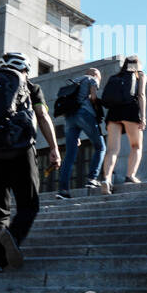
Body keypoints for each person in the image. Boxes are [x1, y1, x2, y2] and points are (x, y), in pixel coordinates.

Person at [0, 51, 61, 272]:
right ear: (25, 69)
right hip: (22, 150)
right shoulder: (31, 87)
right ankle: (13, 235)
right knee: (29, 204)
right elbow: (42, 116)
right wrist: (54, 148)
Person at [99, 54, 147, 194]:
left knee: (112, 149)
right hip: (130, 110)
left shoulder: (115, 77)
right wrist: (143, 117)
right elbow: (141, 95)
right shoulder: (140, 75)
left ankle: (107, 179)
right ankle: (130, 175)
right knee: (136, 146)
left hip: (113, 112)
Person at [56, 67, 105, 199]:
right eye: (99, 78)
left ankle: (63, 190)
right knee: (100, 147)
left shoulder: (73, 82)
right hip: (85, 114)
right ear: (95, 74)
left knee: (70, 155)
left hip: (69, 118)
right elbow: (93, 98)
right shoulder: (91, 79)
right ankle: (92, 179)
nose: (99, 81)